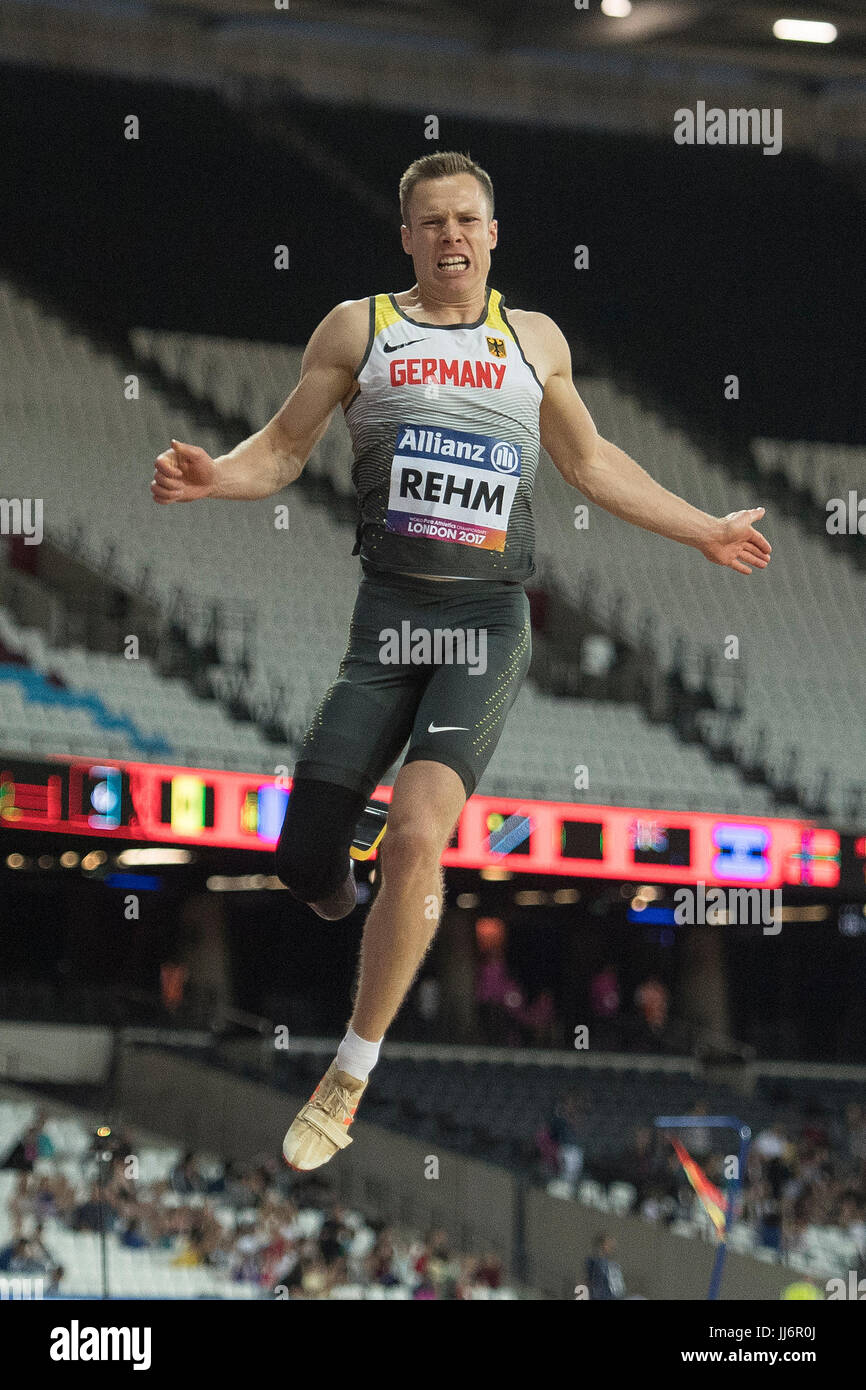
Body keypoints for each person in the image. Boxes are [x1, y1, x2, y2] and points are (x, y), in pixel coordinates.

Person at [151, 150, 772, 1171]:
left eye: (466, 220)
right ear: (405, 236)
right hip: (386, 623)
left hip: (484, 622)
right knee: (303, 859)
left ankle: (348, 1070)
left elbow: (591, 461)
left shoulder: (532, 343)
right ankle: (349, 884)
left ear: (492, 233)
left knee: (415, 838)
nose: (450, 235)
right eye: (430, 221)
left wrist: (698, 527)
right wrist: (211, 478)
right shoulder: (359, 328)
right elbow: (278, 450)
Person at [586, 1232, 626, 1300]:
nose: (612, 1248)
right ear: (602, 1245)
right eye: (609, 1245)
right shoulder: (594, 1262)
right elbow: (591, 1282)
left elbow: (618, 1288)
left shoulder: (613, 1265)